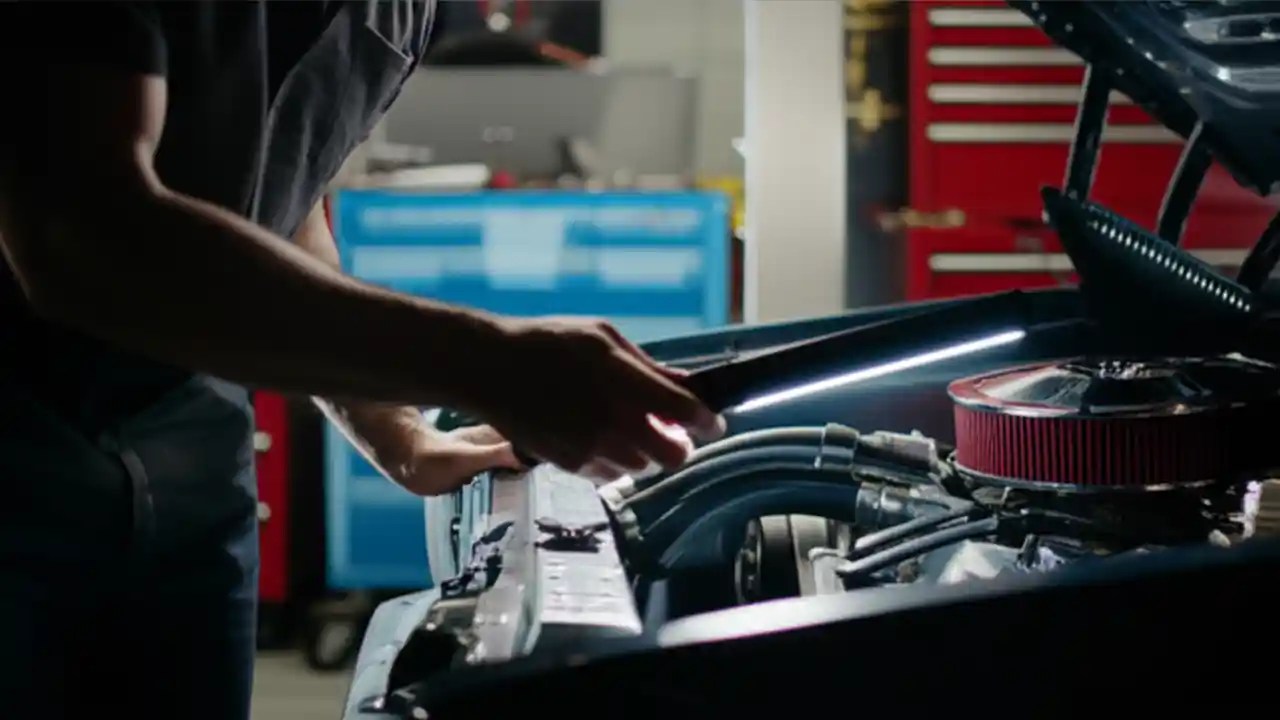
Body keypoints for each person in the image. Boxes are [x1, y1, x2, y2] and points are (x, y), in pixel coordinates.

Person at [0, 2, 722, 718]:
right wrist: (488, 363)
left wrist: (396, 431)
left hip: (193, 435)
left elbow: (288, 192)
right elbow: (76, 229)